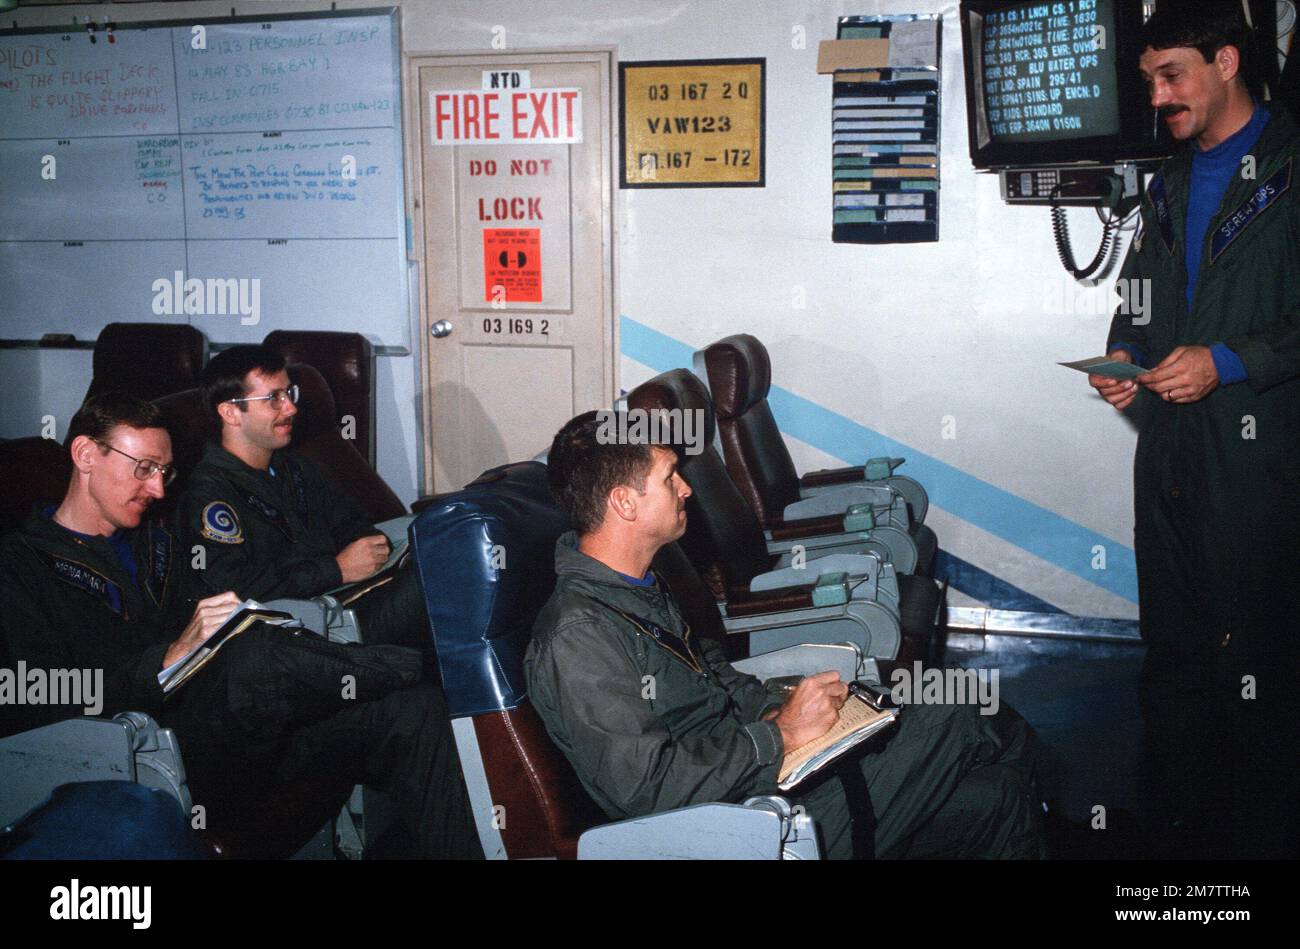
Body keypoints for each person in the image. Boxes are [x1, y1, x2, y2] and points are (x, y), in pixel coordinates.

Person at [525, 411, 1047, 859]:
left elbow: (717, 679)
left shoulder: (636, 585)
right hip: (740, 827)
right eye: (669, 477)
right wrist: (780, 736)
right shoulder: (578, 636)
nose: (686, 487)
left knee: (998, 798)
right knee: (964, 707)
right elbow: (647, 788)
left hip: (760, 780)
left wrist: (783, 706)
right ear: (625, 502)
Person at [0, 392, 481, 858]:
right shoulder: (21, 567)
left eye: (164, 472)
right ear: (86, 454)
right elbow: (36, 693)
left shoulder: (158, 541)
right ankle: (429, 665)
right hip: (149, 753)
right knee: (256, 658)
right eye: (143, 468)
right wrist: (164, 662)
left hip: (242, 725)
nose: (159, 489)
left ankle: (419, 683)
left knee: (410, 710)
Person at [1088, 6, 1299, 858]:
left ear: (1226, 60)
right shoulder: (1168, 183)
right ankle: (1179, 837)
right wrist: (1120, 350)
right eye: (1149, 81)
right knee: (1172, 657)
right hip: (1169, 461)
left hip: (1262, 466)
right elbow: (1140, 295)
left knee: (1262, 670)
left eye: (1171, 74)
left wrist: (1229, 360)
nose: (1158, 95)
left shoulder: (1291, 168)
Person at [177, 345, 426, 650]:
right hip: (300, 633)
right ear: (230, 412)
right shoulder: (209, 495)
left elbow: (352, 520)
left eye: (288, 393)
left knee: (445, 542)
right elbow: (232, 592)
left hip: (348, 596)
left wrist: (363, 551)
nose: (291, 408)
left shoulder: (294, 467)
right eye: (273, 399)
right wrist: (335, 569)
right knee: (439, 582)